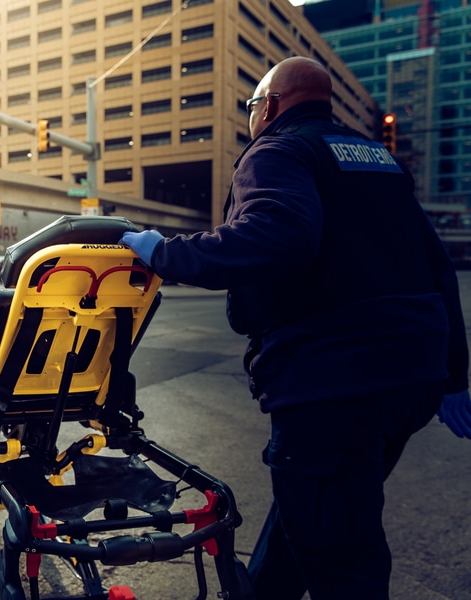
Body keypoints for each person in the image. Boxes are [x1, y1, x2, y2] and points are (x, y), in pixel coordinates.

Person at [120, 56, 471, 599]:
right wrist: (452, 376)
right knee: (313, 513)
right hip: (410, 381)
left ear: (270, 106)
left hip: (334, 387)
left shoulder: (279, 149)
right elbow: (437, 268)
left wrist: (166, 253)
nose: (252, 117)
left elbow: (278, 235)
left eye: (252, 106)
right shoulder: (376, 158)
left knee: (343, 557)